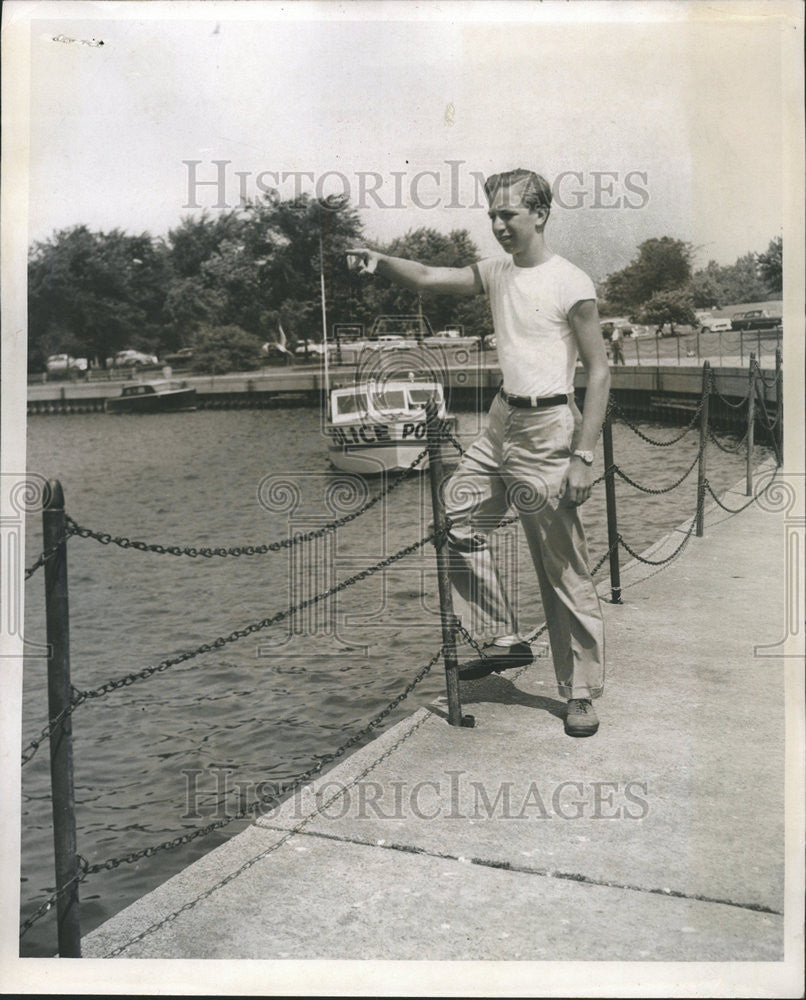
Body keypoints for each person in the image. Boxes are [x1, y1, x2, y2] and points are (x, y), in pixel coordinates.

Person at [347, 168, 611, 737]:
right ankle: (505, 639)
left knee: (561, 567)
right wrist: (380, 258)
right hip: (500, 423)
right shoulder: (494, 272)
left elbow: (601, 371)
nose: (497, 226)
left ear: (539, 214)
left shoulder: (572, 282)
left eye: (508, 215)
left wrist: (582, 456)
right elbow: (425, 276)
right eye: (491, 215)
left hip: (549, 428)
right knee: (458, 517)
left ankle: (581, 691)